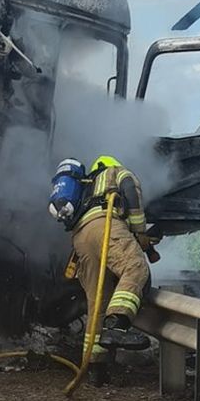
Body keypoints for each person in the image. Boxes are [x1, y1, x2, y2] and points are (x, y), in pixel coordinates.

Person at [70, 155, 152, 386]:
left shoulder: (87, 185)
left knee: (98, 300)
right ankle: (117, 325)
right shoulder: (117, 171)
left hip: (80, 237)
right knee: (135, 267)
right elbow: (131, 192)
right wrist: (141, 231)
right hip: (105, 224)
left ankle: (96, 368)